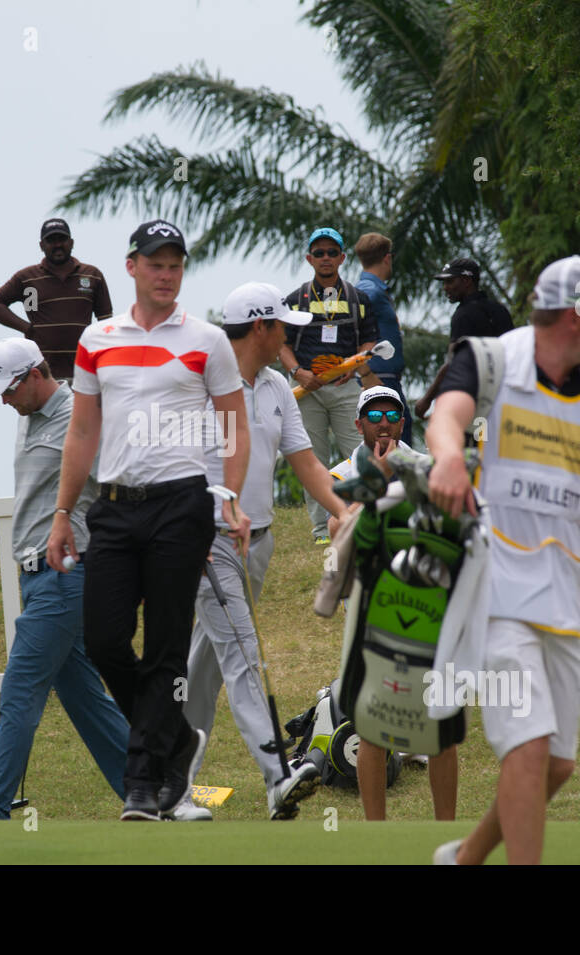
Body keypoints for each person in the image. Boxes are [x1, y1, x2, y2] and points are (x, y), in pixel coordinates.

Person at [424, 256, 580, 865]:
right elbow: (446, 413)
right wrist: (448, 456)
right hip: (497, 590)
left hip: (569, 597)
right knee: (530, 747)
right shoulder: (494, 358)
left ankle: (463, 859)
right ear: (574, 317)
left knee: (556, 765)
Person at [46, 219, 251, 822]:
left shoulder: (208, 340)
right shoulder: (97, 338)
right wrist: (62, 514)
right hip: (113, 508)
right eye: (155, 264)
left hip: (181, 506)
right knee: (106, 641)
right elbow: (82, 431)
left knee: (165, 649)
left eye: (175, 264)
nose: (166, 275)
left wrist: (229, 497)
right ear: (131, 267)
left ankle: (145, 786)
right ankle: (177, 745)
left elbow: (234, 428)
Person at [170, 282, 350, 822]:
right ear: (260, 328)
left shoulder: (273, 387)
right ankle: (278, 776)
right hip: (209, 543)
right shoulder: (197, 385)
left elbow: (308, 464)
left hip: (259, 545)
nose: (288, 336)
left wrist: (342, 512)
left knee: (204, 667)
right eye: (282, 327)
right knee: (245, 656)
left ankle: (167, 782)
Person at [0, 338, 129, 821]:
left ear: (36, 374)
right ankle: (153, 789)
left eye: (9, 390)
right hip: (35, 576)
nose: (5, 401)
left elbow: (118, 482)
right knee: (85, 700)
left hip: (67, 573)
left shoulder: (82, 415)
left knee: (21, 689)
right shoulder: (27, 415)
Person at [326, 386, 459, 822]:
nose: (383, 420)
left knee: (440, 726)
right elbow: (338, 534)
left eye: (392, 413)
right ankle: (376, 835)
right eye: (373, 413)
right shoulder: (341, 474)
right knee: (372, 728)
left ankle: (446, 830)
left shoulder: (427, 468)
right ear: (358, 422)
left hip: (425, 608)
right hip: (369, 614)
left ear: (403, 422)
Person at [281, 227, 380, 545]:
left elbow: (369, 339)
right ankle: (322, 530)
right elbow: (280, 342)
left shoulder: (357, 298)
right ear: (309, 258)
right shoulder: (295, 300)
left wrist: (353, 367)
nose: (325, 258)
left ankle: (363, 517)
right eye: (319, 253)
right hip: (304, 390)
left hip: (345, 386)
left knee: (360, 451)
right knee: (312, 458)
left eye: (331, 252)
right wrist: (297, 372)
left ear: (342, 257)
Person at [0, 217, 113, 380]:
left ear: (71, 243)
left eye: (62, 239)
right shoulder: (27, 278)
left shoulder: (92, 275)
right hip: (44, 376)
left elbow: (106, 322)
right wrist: (27, 328)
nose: (57, 244)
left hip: (84, 373)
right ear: (41, 246)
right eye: (51, 240)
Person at [413, 258, 514, 420]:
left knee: (476, 444)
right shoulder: (500, 310)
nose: (445, 288)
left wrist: (426, 400)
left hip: (478, 401)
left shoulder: (463, 315)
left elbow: (453, 364)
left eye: (450, 282)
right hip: (506, 397)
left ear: (466, 281)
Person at [353, 233, 414, 447]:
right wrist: (365, 373)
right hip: (378, 379)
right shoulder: (370, 291)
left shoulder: (373, 290)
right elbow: (350, 330)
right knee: (393, 442)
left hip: (382, 378)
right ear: (387, 258)